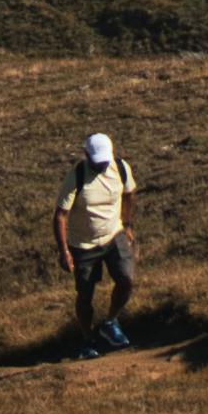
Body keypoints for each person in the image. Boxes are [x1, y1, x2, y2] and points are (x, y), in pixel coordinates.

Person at [54, 125, 140, 352]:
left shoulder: (120, 168)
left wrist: (128, 225)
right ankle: (87, 338)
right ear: (87, 156)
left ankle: (111, 321)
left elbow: (130, 193)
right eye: (97, 161)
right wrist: (64, 251)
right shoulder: (77, 176)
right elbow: (61, 215)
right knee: (85, 295)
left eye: (105, 161)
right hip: (83, 244)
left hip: (113, 234)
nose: (102, 165)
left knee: (127, 279)